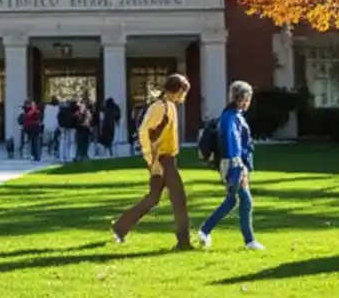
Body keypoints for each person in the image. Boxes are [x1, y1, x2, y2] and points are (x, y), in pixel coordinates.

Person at [112, 74, 193, 250]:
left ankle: (120, 227)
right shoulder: (159, 108)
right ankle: (184, 241)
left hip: (168, 158)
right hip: (162, 159)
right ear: (177, 91)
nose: (184, 97)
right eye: (183, 92)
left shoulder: (170, 106)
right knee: (179, 198)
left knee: (153, 198)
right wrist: (152, 161)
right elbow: (145, 133)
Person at [199, 80, 264, 250]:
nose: (249, 102)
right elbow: (232, 143)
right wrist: (240, 167)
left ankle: (205, 231)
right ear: (243, 98)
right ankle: (249, 241)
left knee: (232, 201)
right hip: (234, 165)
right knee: (244, 201)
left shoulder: (231, 115)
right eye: (248, 98)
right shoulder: (232, 117)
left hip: (233, 164)